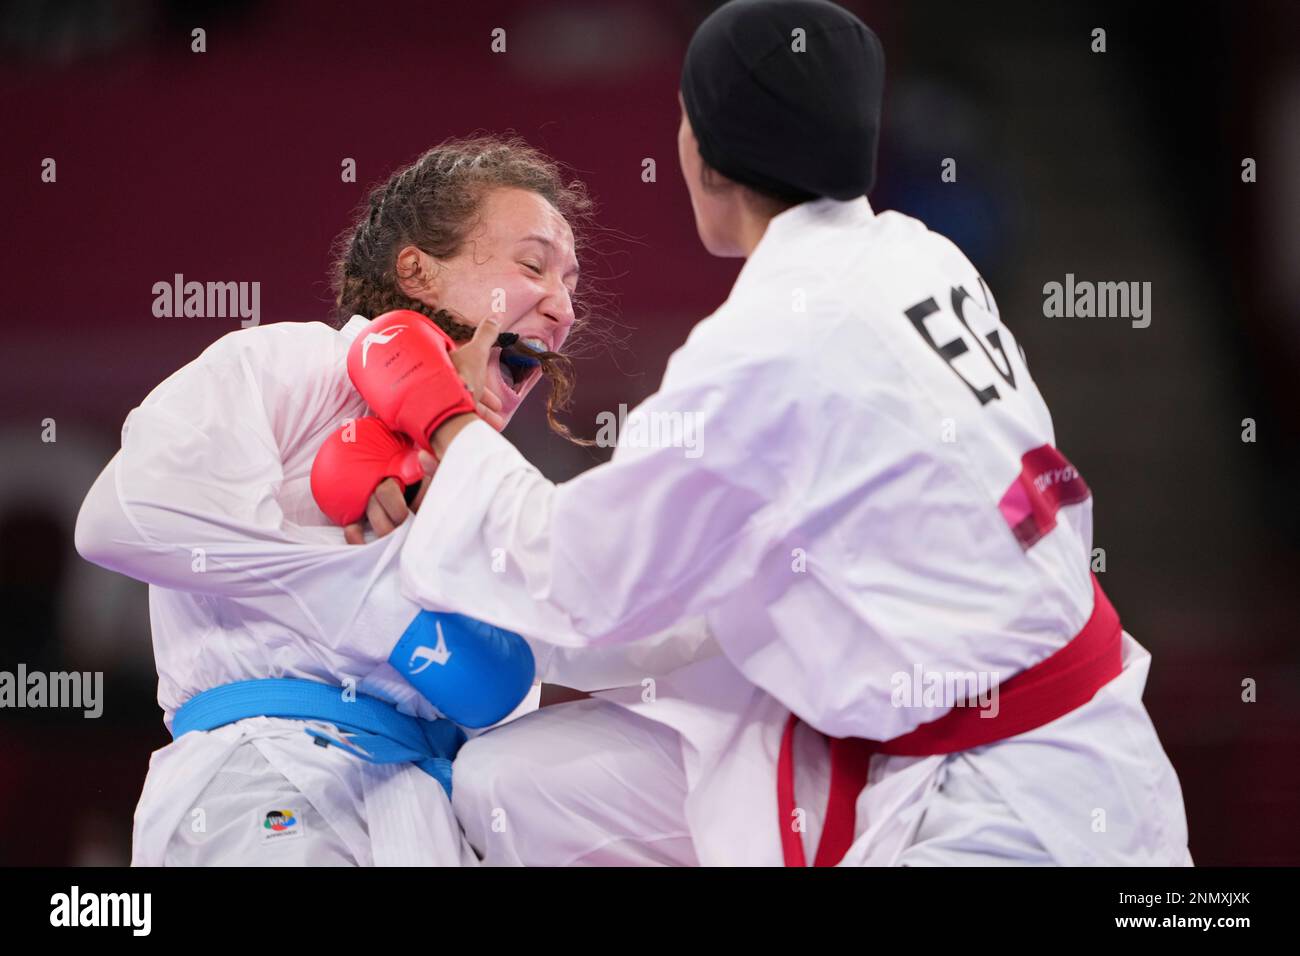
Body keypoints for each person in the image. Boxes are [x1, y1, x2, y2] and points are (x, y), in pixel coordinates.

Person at [361, 0, 1192, 866]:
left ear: (704, 147)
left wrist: (446, 423)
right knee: (514, 788)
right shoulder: (921, 254)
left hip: (1001, 801)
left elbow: (583, 577)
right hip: (1052, 725)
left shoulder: (766, 348)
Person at [73, 136, 633, 866]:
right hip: (265, 778)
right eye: (532, 266)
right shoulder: (292, 363)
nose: (561, 308)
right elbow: (124, 517)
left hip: (431, 812)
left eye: (570, 285)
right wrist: (368, 599)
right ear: (417, 270)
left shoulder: (492, 488)